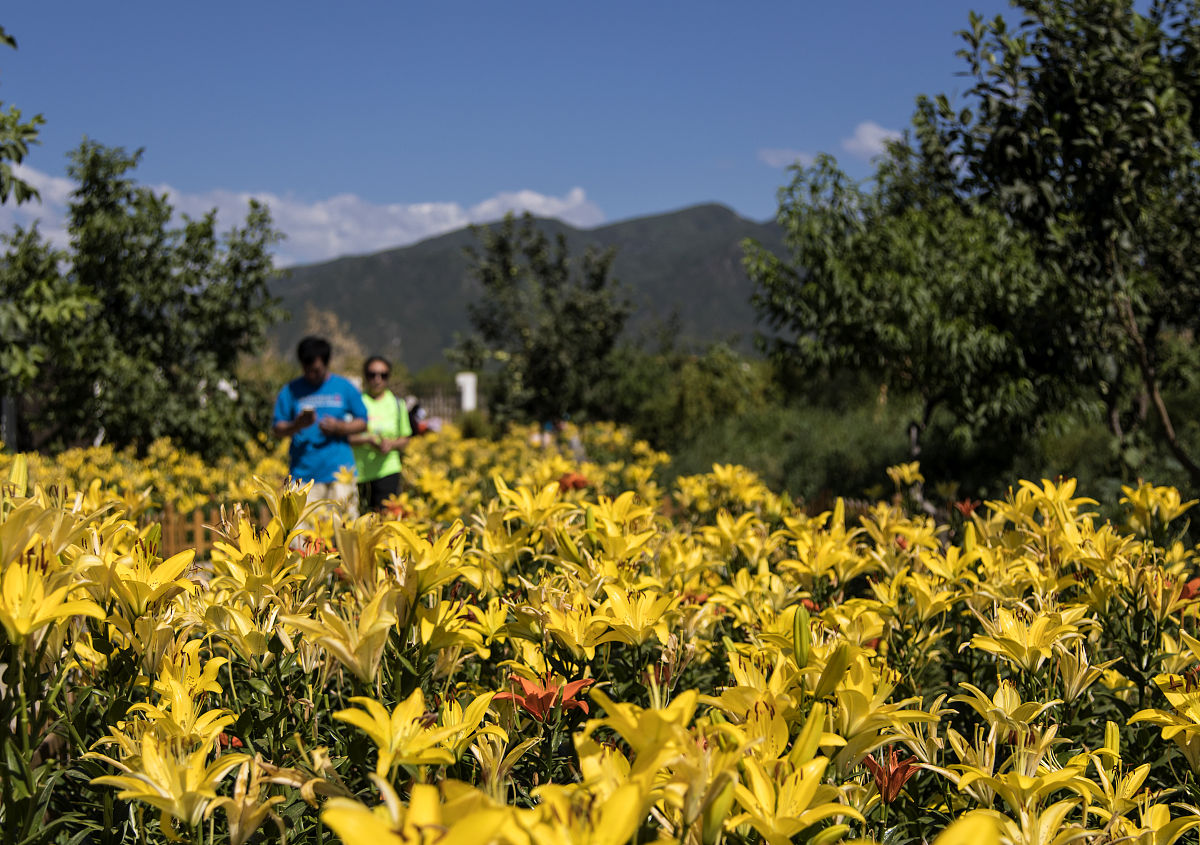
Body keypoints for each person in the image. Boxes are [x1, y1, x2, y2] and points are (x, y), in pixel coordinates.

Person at [272, 336, 368, 520]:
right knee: (301, 538)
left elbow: (362, 422)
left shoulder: (343, 387)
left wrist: (339, 427)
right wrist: (297, 425)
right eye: (306, 370)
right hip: (303, 474)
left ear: (326, 363)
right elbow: (277, 428)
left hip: (340, 474)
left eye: (316, 370)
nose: (311, 375)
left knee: (344, 530)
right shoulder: (291, 390)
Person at [350, 355, 412, 513]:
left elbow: (405, 438)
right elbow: (347, 437)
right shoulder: (356, 403)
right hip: (360, 473)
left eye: (383, 375)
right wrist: (368, 440)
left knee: (387, 520)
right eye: (372, 375)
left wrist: (391, 444)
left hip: (388, 469)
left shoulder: (398, 404)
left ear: (388, 377)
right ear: (366, 377)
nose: (377, 379)